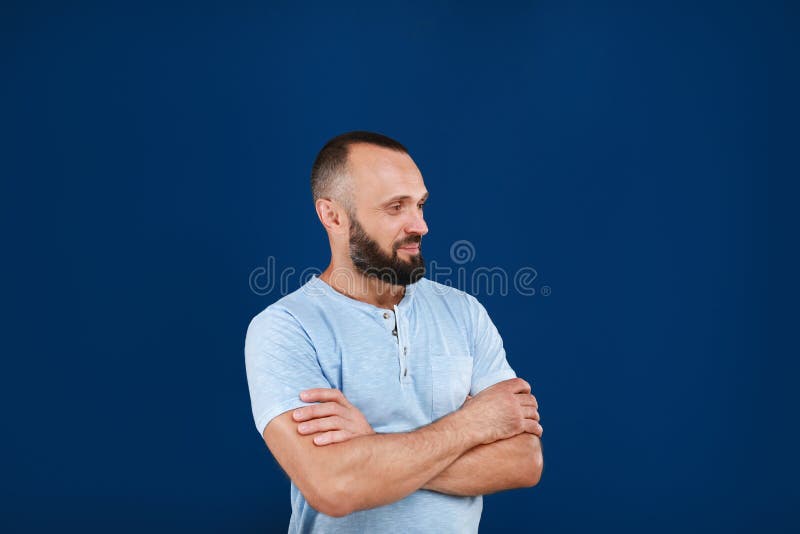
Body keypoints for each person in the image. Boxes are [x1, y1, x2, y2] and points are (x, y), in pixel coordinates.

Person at [244, 131, 544, 533]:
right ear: (333, 216)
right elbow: (334, 486)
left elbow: (524, 461)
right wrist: (474, 424)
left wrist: (372, 447)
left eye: (420, 204)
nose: (420, 225)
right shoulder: (285, 329)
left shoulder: (464, 313)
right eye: (395, 207)